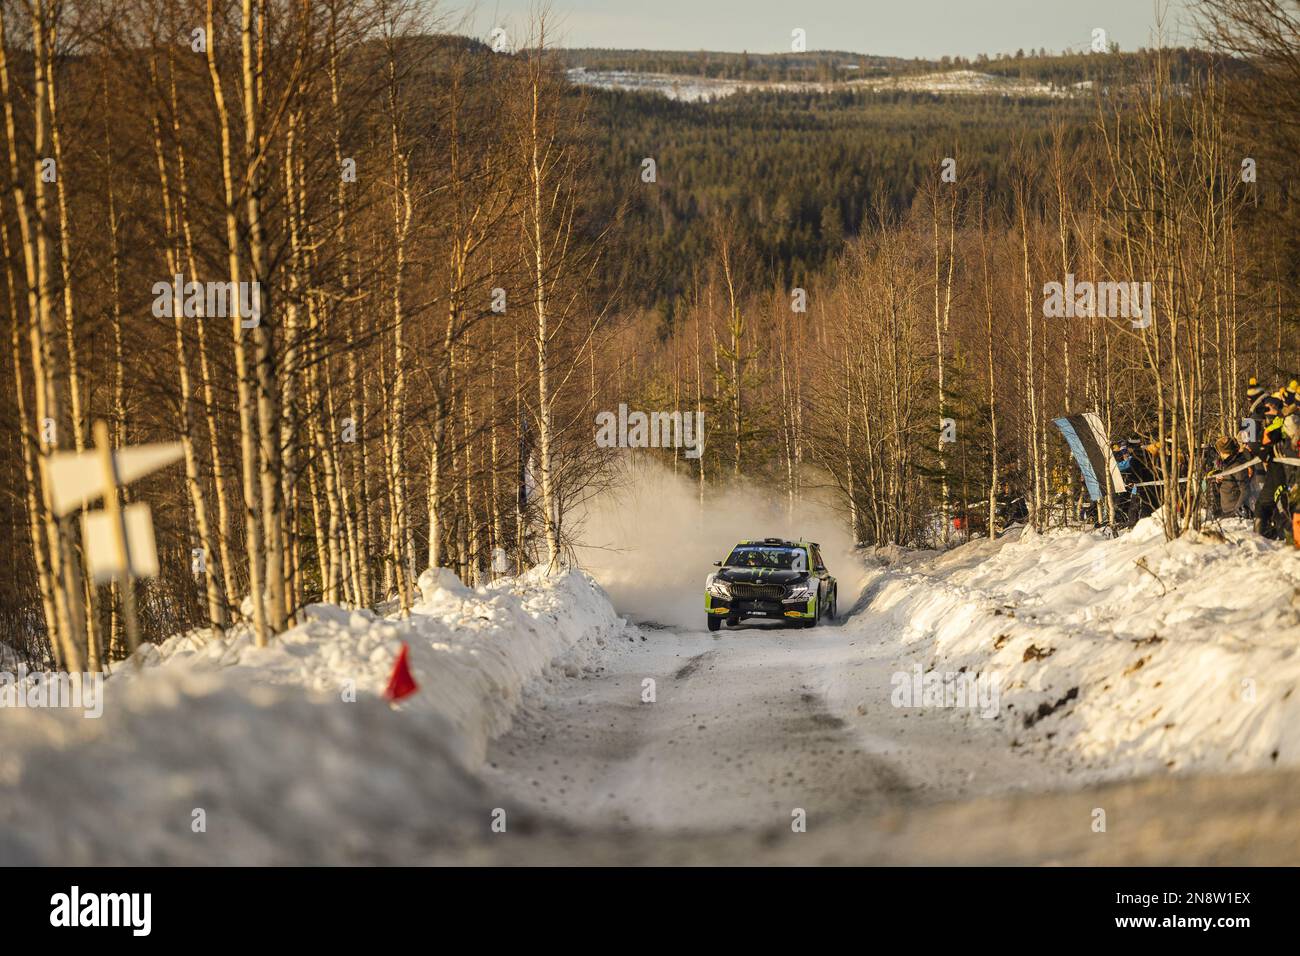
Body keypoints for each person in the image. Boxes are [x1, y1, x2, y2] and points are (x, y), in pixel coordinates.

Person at [1210, 435, 1250, 518]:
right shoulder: (1227, 464)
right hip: (1227, 510)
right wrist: (1219, 482)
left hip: (1234, 512)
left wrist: (1237, 510)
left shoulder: (1236, 465)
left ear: (1223, 451)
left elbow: (1245, 489)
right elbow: (1230, 485)